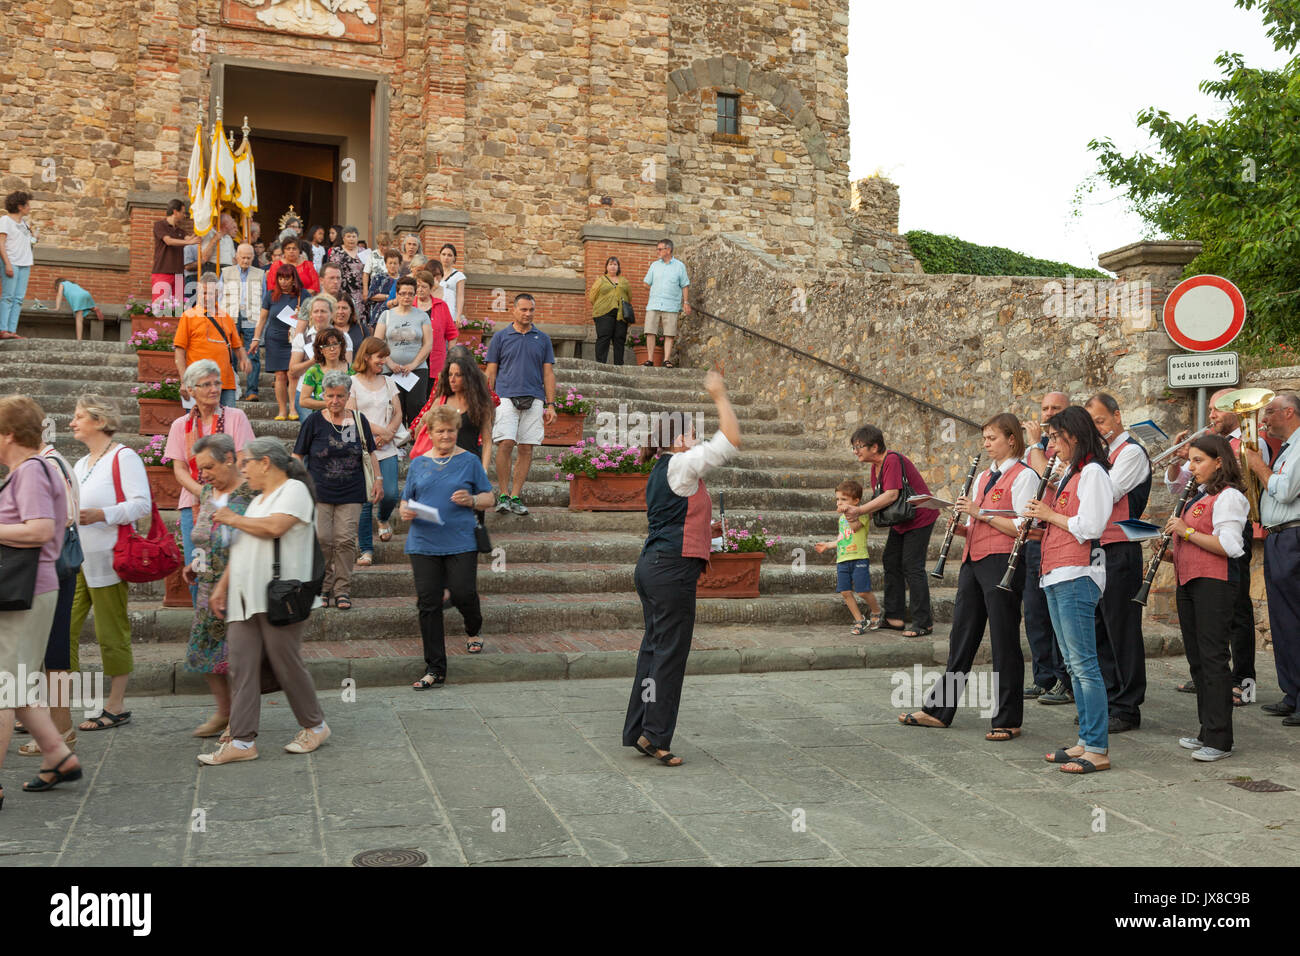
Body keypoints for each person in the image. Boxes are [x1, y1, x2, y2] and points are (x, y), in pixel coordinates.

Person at [623, 371, 740, 765]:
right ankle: (656, 738)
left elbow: (674, 516)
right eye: (691, 433)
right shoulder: (682, 463)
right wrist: (720, 394)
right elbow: (730, 442)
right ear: (677, 438)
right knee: (669, 655)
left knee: (654, 651)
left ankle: (641, 729)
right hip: (671, 571)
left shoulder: (663, 469)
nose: (696, 438)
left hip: (653, 566)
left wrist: (706, 529)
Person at [899, 414, 1038, 739]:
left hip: (1004, 561)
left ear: (1012, 440)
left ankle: (1007, 718)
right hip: (973, 559)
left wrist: (979, 513)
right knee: (960, 637)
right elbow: (982, 522)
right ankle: (939, 710)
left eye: (992, 438)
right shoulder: (984, 477)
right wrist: (962, 526)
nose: (986, 444)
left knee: (1004, 639)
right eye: (985, 438)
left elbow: (1021, 528)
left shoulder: (1025, 476)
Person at [203, 437, 331, 764]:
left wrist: (232, 518)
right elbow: (245, 544)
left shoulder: (294, 491)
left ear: (265, 463)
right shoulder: (259, 499)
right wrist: (221, 586)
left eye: (246, 462)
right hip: (244, 597)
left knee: (285, 664)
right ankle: (243, 742)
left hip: (280, 598)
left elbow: (276, 527)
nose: (242, 469)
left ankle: (315, 726)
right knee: (241, 667)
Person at [1023, 406, 1115, 773]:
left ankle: (1097, 747)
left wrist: (1048, 517)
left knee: (1085, 664)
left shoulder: (1093, 473)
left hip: (1078, 573)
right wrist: (1038, 526)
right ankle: (1085, 740)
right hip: (1058, 572)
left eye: (1057, 439)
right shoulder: (1072, 474)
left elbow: (1090, 525)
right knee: (1074, 666)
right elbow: (1064, 523)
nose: (1053, 446)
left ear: (1073, 437)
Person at [1165, 387, 1270, 703]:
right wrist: (1180, 461)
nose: (1211, 416)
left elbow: (1245, 485)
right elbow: (1179, 485)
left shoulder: (1252, 443)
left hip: (1236, 527)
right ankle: (1213, 678)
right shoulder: (1205, 450)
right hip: (1210, 531)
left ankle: (1243, 680)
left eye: (1217, 409)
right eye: (1210, 409)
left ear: (1236, 412)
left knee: (1237, 609)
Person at [0, 395, 82, 796]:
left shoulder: (31, 472)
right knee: (14, 685)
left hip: (27, 590)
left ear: (9, 434)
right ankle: (58, 755)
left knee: (3, 688)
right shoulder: (28, 470)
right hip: (30, 589)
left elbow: (39, 530)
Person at [1160, 434, 1248, 761]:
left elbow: (1229, 546)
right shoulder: (1198, 495)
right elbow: (1197, 542)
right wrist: (1171, 553)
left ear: (1219, 462)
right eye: (1191, 460)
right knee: (1197, 659)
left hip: (1215, 584)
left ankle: (1220, 738)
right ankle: (1206, 729)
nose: (1192, 467)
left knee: (1213, 658)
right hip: (1190, 581)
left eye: (1198, 461)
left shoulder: (1229, 497)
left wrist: (1185, 531)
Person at [70, 395, 150, 733]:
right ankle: (55, 708)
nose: (72, 422)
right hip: (77, 561)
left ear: (99, 421)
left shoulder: (124, 456)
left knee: (110, 633)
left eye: (78, 417)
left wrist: (103, 514)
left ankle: (115, 705)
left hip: (110, 560)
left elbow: (141, 505)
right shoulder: (80, 463)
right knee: (61, 633)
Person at [402, 405, 495, 686]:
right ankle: (435, 669)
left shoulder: (469, 461)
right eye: (440, 431)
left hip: (460, 539)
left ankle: (473, 626)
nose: (446, 435)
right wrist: (405, 511)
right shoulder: (418, 463)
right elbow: (405, 500)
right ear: (430, 433)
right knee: (428, 604)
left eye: (451, 430)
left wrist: (472, 500)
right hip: (422, 541)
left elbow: (490, 498)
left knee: (463, 592)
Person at [1084, 392, 1152, 733]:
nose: (1098, 429)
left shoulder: (1132, 453)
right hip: (1095, 549)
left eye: (1101, 421)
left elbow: (1104, 494)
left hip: (1121, 549)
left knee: (1122, 628)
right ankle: (1108, 699)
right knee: (1099, 627)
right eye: (1092, 424)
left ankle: (1127, 706)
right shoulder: (1099, 456)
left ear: (1117, 416)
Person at [181, 434, 255, 740]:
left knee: (239, 657)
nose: (203, 475)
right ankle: (223, 711)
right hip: (209, 588)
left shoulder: (251, 493)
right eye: (200, 469)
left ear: (229, 459)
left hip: (241, 587)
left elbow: (252, 541)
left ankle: (239, 719)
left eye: (209, 466)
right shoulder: (210, 492)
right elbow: (203, 534)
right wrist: (194, 564)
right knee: (208, 651)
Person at [164, 359, 255, 603]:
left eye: (217, 383)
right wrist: (204, 493)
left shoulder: (236, 417)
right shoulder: (179, 425)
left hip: (231, 502)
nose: (214, 389)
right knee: (198, 563)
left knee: (230, 559)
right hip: (193, 503)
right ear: (191, 390)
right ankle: (201, 615)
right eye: (206, 385)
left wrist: (220, 492)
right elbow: (179, 468)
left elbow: (243, 460)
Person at [292, 371, 382, 610]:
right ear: (323, 394)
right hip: (320, 490)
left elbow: (370, 452)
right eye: (330, 396)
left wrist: (379, 478)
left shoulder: (358, 420)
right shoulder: (313, 421)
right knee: (323, 539)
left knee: (344, 540)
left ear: (348, 395)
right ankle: (322, 587)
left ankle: (342, 590)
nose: (335, 401)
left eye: (340, 396)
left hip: (352, 490)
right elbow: (297, 455)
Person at [843, 425, 940, 638]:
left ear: (875, 446)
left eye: (859, 446)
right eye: (854, 447)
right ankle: (895, 618)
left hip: (921, 516)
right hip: (902, 520)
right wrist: (860, 518)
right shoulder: (874, 467)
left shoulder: (892, 460)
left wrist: (859, 510)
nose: (855, 451)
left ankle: (923, 622)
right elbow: (881, 500)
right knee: (891, 561)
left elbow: (891, 495)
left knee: (912, 566)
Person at [20, 432, 82, 757]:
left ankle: (60, 728)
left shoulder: (46, 465)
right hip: (58, 566)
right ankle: (58, 726)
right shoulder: (53, 461)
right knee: (52, 650)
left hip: (50, 566)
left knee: (52, 651)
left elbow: (63, 517)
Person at [1244, 392, 1300, 722]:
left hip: (1292, 536)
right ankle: (1291, 692)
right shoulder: (1288, 449)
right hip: (1280, 537)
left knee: (1294, 616)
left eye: (1270, 413)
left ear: (1289, 412)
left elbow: (1285, 490)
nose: (1264, 419)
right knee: (1282, 620)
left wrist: (1258, 466)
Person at [485, 294, 556, 515]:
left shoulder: (543, 339)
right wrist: (488, 401)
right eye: (523, 310)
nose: (527, 314)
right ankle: (503, 494)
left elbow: (548, 372)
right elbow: (491, 371)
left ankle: (516, 495)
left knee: (526, 448)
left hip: (534, 398)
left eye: (531, 310)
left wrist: (551, 404)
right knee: (505, 443)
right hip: (505, 396)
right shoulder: (500, 337)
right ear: (513, 310)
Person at [1023, 390, 1072, 703]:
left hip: (1058, 535)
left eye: (1056, 408)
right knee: (1034, 612)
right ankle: (1042, 676)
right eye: (1044, 408)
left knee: (1057, 618)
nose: (1048, 413)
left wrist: (1034, 444)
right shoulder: (1037, 447)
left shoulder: (1061, 448)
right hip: (1034, 533)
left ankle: (1063, 680)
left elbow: (1048, 474)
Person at [348, 338, 404, 566]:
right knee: (365, 501)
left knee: (390, 493)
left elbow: (399, 412)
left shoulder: (389, 382)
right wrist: (381, 433)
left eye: (384, 357)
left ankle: (383, 518)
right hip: (363, 449)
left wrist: (389, 434)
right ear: (366, 356)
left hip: (387, 448)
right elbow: (353, 414)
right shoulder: (351, 382)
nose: (383, 361)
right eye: (379, 357)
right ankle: (366, 550)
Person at [813, 480, 881, 634]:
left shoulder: (860, 514)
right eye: (837, 499)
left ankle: (876, 611)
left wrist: (848, 513)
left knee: (863, 591)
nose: (839, 502)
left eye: (844, 499)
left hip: (859, 558)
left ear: (855, 501)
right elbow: (843, 538)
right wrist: (828, 545)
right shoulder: (841, 519)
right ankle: (860, 620)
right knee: (845, 591)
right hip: (842, 559)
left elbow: (855, 528)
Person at [174, 276, 251, 409]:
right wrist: (184, 381)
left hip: (225, 383)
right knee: (197, 426)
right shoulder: (188, 316)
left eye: (209, 293)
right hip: (197, 383)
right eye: (203, 293)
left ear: (217, 293)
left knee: (226, 426)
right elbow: (179, 351)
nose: (206, 297)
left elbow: (237, 346)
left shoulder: (226, 317)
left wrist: (243, 358)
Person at [252, 264, 309, 421]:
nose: (283, 282)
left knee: (293, 373)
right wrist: (256, 339)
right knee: (280, 375)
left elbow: (310, 315)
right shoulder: (271, 295)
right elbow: (262, 319)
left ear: (294, 279)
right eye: (281, 278)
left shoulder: (303, 295)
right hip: (275, 339)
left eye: (287, 278)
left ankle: (293, 407)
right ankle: (282, 410)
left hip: (294, 338)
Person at [374, 275, 434, 426]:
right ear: (397, 294)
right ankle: (397, 444)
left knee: (416, 406)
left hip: (417, 370)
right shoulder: (386, 315)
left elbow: (428, 344)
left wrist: (413, 365)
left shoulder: (422, 316)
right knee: (394, 408)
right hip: (391, 370)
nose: (406, 297)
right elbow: (377, 342)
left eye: (410, 293)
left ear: (414, 295)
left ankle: (415, 443)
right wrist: (390, 363)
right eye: (403, 293)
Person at [290, 293, 351, 421]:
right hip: (308, 394)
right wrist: (313, 361)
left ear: (331, 314)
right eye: (316, 311)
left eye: (323, 311)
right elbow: (293, 370)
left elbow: (348, 368)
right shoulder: (302, 338)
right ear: (311, 314)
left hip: (337, 394)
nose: (319, 315)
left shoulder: (344, 337)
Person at [219, 243, 266, 401]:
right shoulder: (226, 272)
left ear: (253, 257)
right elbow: (219, 296)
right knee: (229, 353)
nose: (245, 260)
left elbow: (264, 298)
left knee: (252, 353)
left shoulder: (260, 274)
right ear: (236, 257)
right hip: (230, 315)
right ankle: (231, 387)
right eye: (243, 257)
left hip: (252, 315)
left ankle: (252, 391)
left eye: (248, 257)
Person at [642, 238, 690, 368]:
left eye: (660, 249)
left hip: (671, 305)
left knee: (669, 333)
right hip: (654, 303)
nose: (657, 251)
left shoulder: (680, 266)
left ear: (668, 250)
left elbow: (685, 285)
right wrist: (655, 289)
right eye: (657, 249)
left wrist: (686, 302)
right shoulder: (654, 265)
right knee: (650, 331)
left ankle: (666, 360)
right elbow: (646, 283)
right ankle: (650, 359)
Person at [0, 191, 37, 340]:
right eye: (27, 204)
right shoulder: (5, 221)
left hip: (25, 263)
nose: (29, 207)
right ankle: (2, 330)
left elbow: (30, 243)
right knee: (8, 297)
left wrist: (35, 238)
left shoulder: (24, 224)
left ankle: (12, 330)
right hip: (12, 262)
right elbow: (1, 243)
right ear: (20, 206)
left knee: (19, 298)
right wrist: (7, 264)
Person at [151, 198, 198, 310]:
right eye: (183, 212)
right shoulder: (160, 225)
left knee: (177, 309)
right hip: (163, 272)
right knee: (160, 309)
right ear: (175, 212)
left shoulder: (180, 231)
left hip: (179, 275)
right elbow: (168, 241)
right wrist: (188, 242)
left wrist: (202, 227)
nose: (184, 215)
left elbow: (192, 238)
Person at [297, 327, 354, 413]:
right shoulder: (314, 371)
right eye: (326, 345)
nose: (332, 349)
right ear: (320, 350)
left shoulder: (353, 370)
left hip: (348, 418)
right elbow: (303, 401)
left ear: (341, 346)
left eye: (335, 344)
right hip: (322, 419)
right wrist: (330, 403)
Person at [588, 255, 632, 365]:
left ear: (618, 267)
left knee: (619, 339)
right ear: (607, 267)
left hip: (621, 314)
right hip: (603, 313)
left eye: (615, 264)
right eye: (610, 264)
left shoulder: (624, 281)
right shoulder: (601, 280)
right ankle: (600, 364)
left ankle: (618, 365)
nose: (613, 267)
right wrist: (602, 304)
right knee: (604, 337)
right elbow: (592, 296)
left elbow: (629, 297)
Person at [326, 226, 367, 326]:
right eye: (348, 236)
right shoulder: (336, 251)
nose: (351, 239)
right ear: (343, 238)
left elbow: (368, 271)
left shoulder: (364, 252)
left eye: (354, 236)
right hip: (342, 290)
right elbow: (332, 270)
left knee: (358, 318)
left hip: (359, 292)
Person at [52, 276, 104, 341]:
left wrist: (57, 307)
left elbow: (59, 295)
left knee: (79, 317)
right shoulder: (74, 284)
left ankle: (79, 339)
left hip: (77, 298)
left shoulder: (61, 284)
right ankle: (93, 308)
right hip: (86, 294)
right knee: (85, 305)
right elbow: (80, 292)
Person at [365, 250, 401, 330]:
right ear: (386, 264)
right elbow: (371, 296)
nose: (392, 266)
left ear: (399, 264)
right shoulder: (379, 278)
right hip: (379, 314)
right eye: (390, 263)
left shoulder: (403, 280)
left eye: (395, 263)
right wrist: (389, 297)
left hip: (398, 315)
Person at [437, 243, 466, 322]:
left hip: (451, 312)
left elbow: (460, 297)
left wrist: (459, 316)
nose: (446, 257)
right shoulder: (434, 273)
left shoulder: (459, 276)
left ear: (454, 258)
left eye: (449, 255)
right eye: (444, 254)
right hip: (435, 311)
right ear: (440, 256)